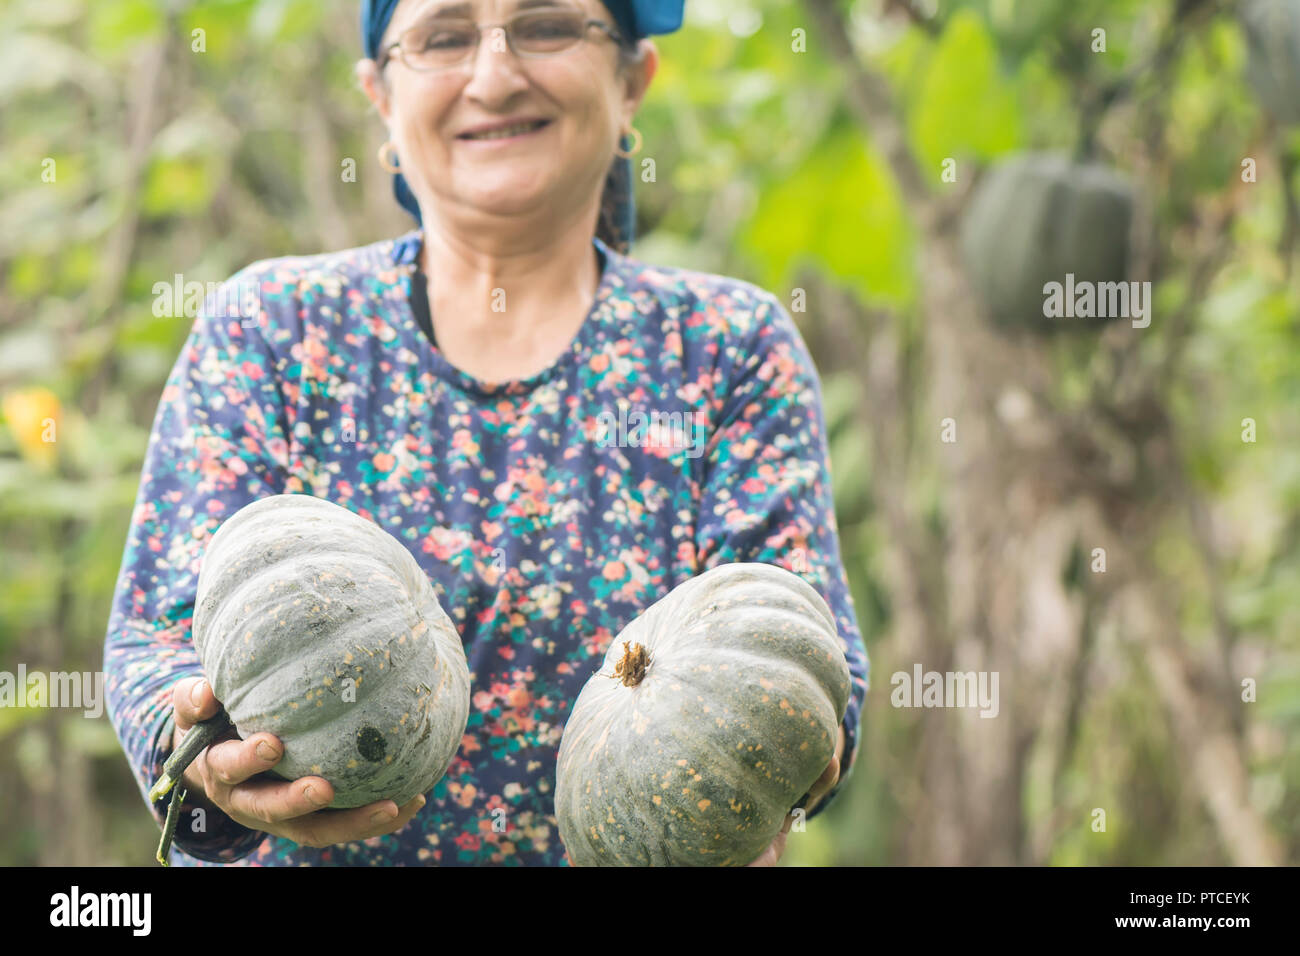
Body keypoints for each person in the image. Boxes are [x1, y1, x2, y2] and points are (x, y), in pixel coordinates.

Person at [103, 0, 869, 866]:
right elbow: (154, 647)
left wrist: (776, 767)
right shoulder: (271, 330)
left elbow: (807, 659)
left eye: (547, 26)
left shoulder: (727, 348)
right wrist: (212, 774)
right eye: (444, 37)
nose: (496, 76)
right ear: (381, 97)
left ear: (631, 82)